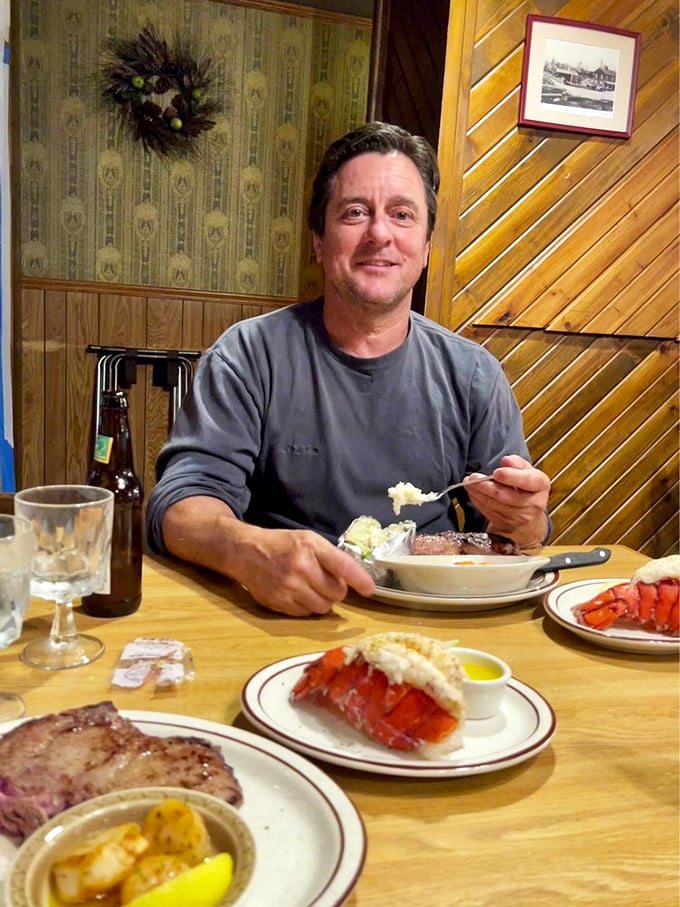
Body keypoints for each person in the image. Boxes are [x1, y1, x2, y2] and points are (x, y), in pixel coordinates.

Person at [146, 122, 551, 617]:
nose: (380, 233)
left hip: (436, 617)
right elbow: (180, 505)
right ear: (319, 241)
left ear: (425, 248)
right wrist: (245, 550)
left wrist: (525, 524)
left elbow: (511, 537)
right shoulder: (248, 355)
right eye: (355, 213)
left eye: (402, 215)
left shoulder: (473, 375)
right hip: (281, 616)